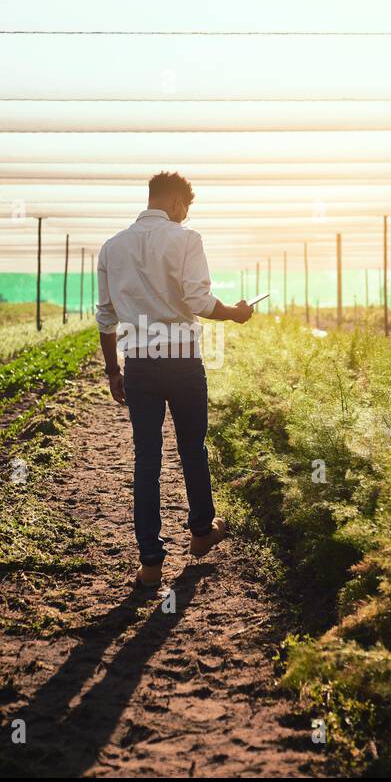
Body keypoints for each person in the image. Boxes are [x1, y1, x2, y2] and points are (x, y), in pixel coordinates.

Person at [95, 171, 254, 589]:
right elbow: (199, 301)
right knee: (192, 449)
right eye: (186, 207)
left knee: (147, 459)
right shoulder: (187, 239)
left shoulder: (112, 247)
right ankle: (201, 532)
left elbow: (106, 318)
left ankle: (150, 563)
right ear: (175, 202)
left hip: (140, 364)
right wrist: (235, 314)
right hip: (183, 360)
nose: (186, 215)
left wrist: (114, 371)